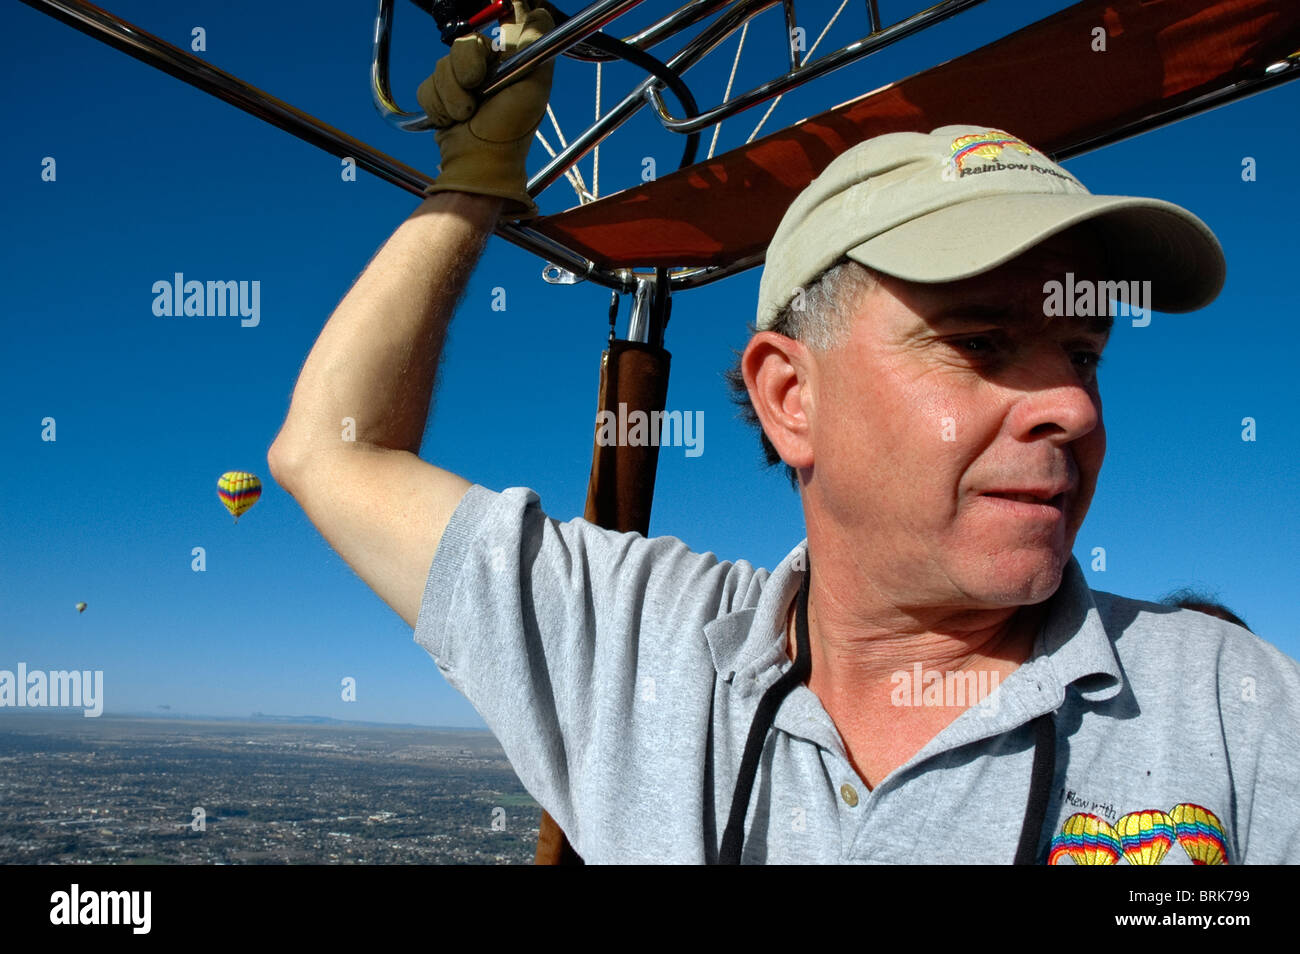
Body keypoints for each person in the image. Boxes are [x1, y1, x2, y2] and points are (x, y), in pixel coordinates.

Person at [267, 3, 1300, 863]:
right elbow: (328, 449)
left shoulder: (1232, 706)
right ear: (788, 398)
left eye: (1082, 357)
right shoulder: (641, 650)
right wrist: (469, 188)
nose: (1071, 409)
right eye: (981, 342)